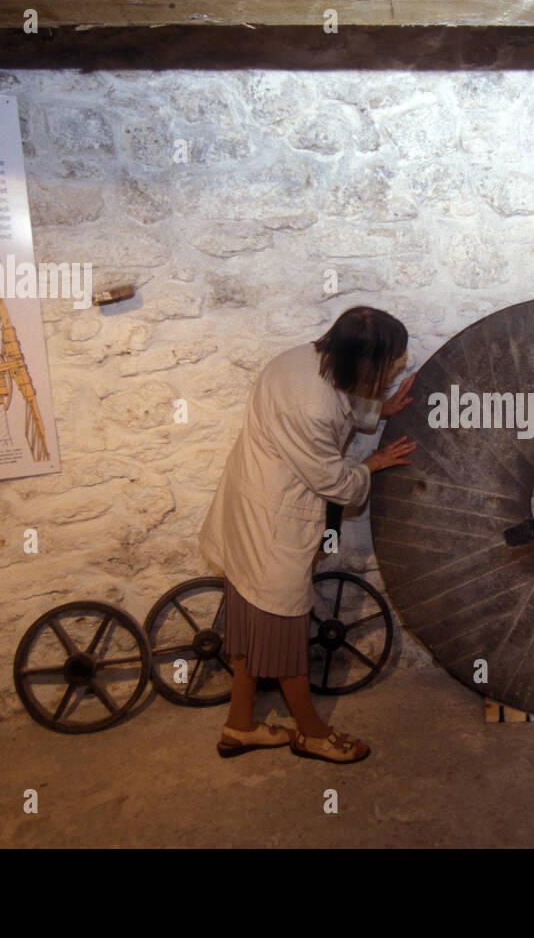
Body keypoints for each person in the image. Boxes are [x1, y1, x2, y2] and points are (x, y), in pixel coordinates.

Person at [198, 306, 416, 764]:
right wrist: (371, 465)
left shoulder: (301, 358)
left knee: (251, 630)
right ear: (362, 362)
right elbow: (334, 482)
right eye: (387, 364)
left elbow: (340, 396)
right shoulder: (312, 407)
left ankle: (240, 726)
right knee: (284, 638)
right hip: (271, 526)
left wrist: (381, 407)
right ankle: (312, 733)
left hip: (251, 507)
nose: (392, 369)